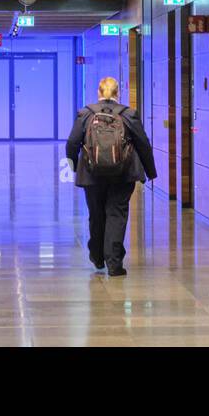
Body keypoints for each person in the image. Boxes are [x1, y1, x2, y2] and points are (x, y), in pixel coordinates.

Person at [66, 76, 156, 276]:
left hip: (91, 175)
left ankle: (97, 257)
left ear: (99, 93)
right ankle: (114, 264)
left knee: (96, 215)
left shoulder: (86, 114)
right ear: (118, 93)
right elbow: (143, 144)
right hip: (122, 175)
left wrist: (73, 166)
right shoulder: (128, 114)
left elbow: (72, 143)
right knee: (116, 215)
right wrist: (150, 172)